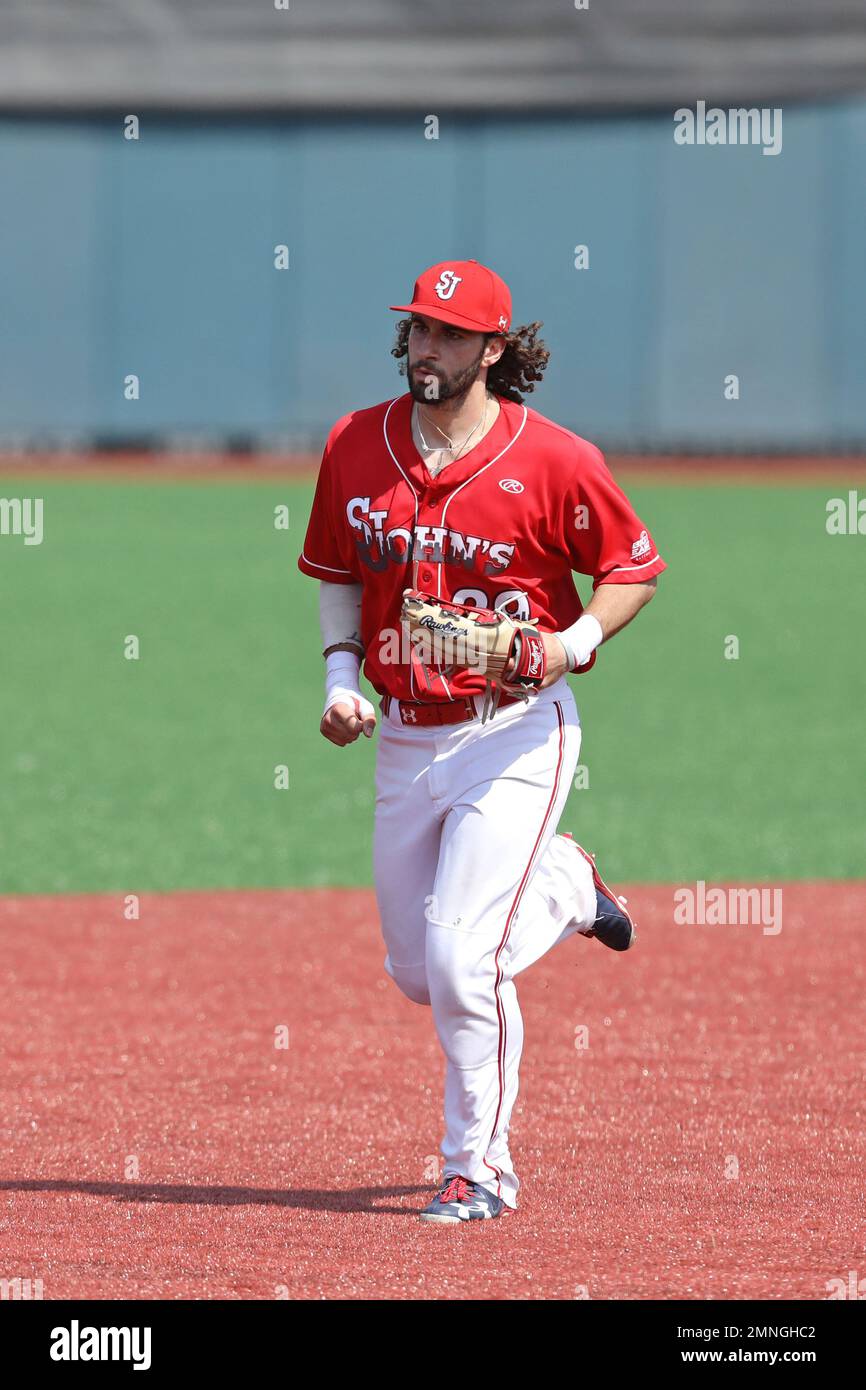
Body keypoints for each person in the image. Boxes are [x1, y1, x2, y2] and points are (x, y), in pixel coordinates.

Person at [298, 259, 666, 1223]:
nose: (429, 349)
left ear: (494, 350)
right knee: (418, 975)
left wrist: (570, 643)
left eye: (452, 335)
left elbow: (631, 567)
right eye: (420, 330)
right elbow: (338, 566)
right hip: (405, 736)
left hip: (514, 731)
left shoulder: (557, 459)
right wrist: (342, 680)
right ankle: (566, 884)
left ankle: (479, 1169)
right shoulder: (355, 443)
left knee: (465, 961)